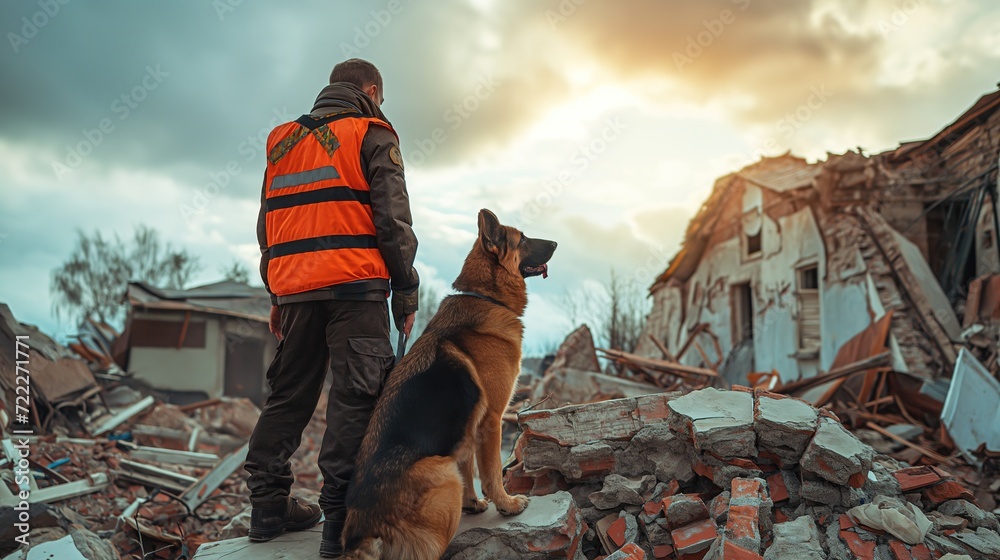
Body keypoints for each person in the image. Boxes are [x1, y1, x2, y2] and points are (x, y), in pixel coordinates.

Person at [244, 58, 419, 558]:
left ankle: (267, 507)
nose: (382, 104)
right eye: (381, 97)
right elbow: (393, 220)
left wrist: (277, 294)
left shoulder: (281, 140)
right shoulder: (372, 131)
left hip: (295, 289)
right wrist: (406, 290)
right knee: (355, 397)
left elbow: (268, 224)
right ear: (371, 89)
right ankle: (339, 521)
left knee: (288, 395)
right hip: (356, 289)